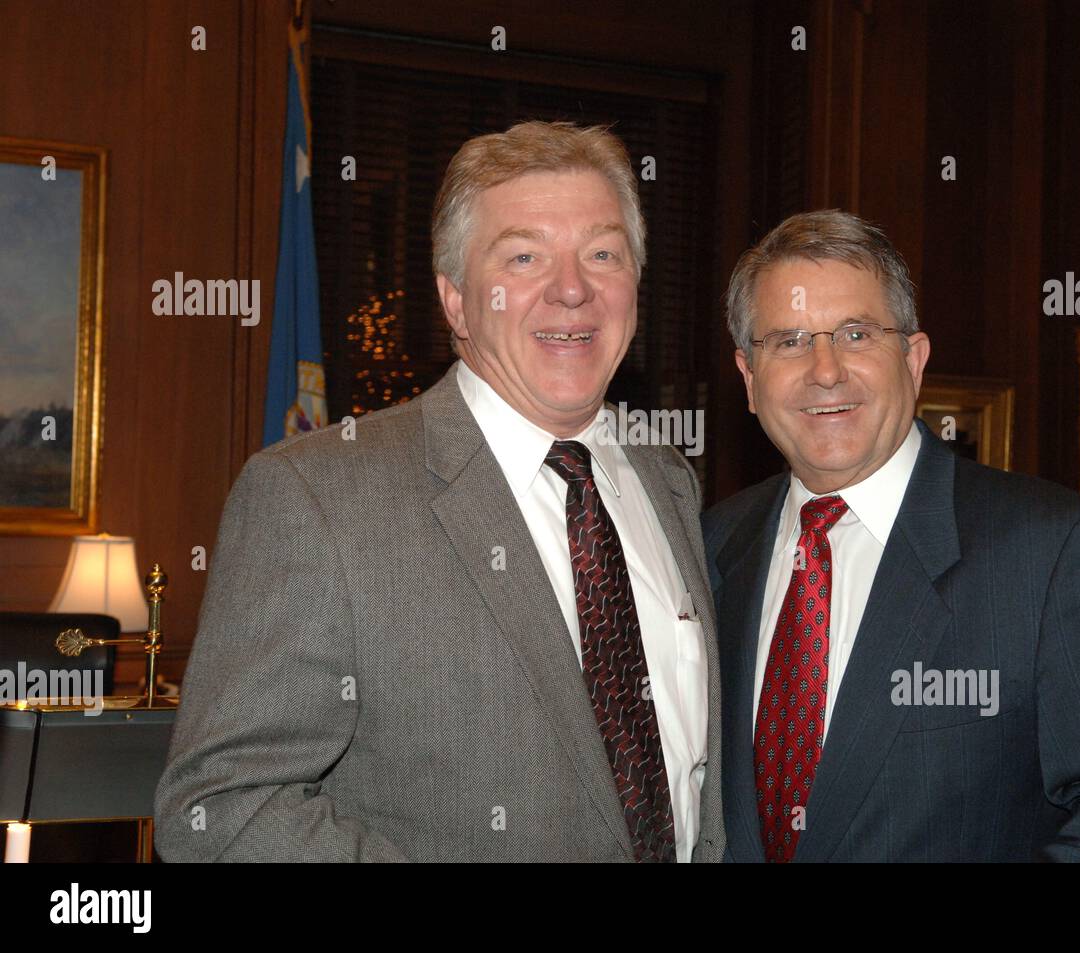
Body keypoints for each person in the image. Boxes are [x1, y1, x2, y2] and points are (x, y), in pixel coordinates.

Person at [154, 121, 722, 862]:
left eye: (603, 253)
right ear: (455, 299)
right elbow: (219, 808)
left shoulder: (670, 481)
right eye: (524, 256)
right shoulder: (316, 498)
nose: (573, 288)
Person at [703, 209, 1080, 862]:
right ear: (750, 379)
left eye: (856, 333)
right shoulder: (714, 544)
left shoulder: (1057, 553)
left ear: (913, 360)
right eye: (789, 340)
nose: (825, 369)